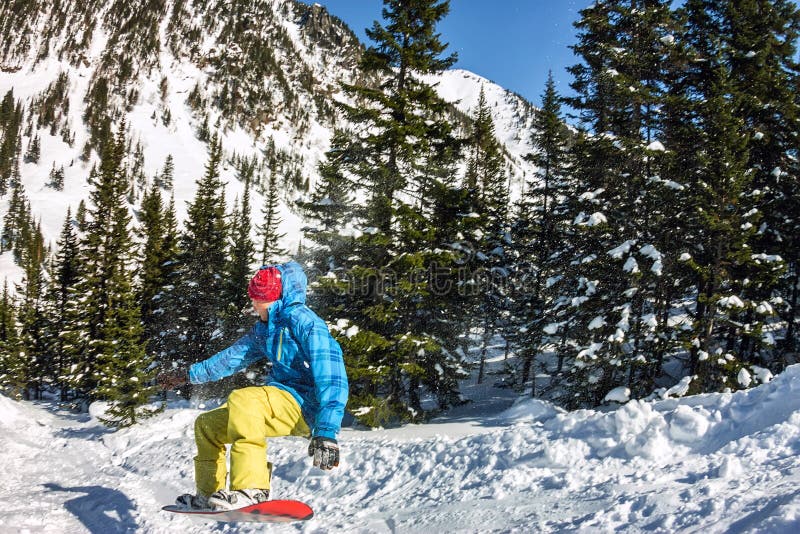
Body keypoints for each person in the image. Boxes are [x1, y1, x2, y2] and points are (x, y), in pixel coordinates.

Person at [157, 261, 348, 511]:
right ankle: (208, 495)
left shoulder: (306, 323)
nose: (254, 305)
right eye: (254, 298)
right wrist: (187, 374)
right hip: (280, 401)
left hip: (306, 405)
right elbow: (230, 358)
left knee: (245, 399)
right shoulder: (266, 329)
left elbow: (333, 376)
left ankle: (252, 489)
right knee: (206, 425)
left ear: (276, 298)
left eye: (259, 300)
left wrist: (326, 430)